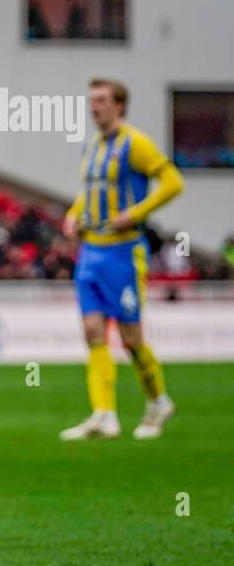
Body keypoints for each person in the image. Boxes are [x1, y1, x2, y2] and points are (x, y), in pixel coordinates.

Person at [60, 78, 184, 441]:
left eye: (101, 100)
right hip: (90, 252)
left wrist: (136, 213)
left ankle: (158, 400)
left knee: (130, 337)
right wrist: (73, 214)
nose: (93, 106)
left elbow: (174, 182)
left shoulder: (136, 143)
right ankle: (104, 414)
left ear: (119, 106)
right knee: (92, 331)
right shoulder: (92, 147)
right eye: (91, 100)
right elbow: (89, 193)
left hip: (123, 252)